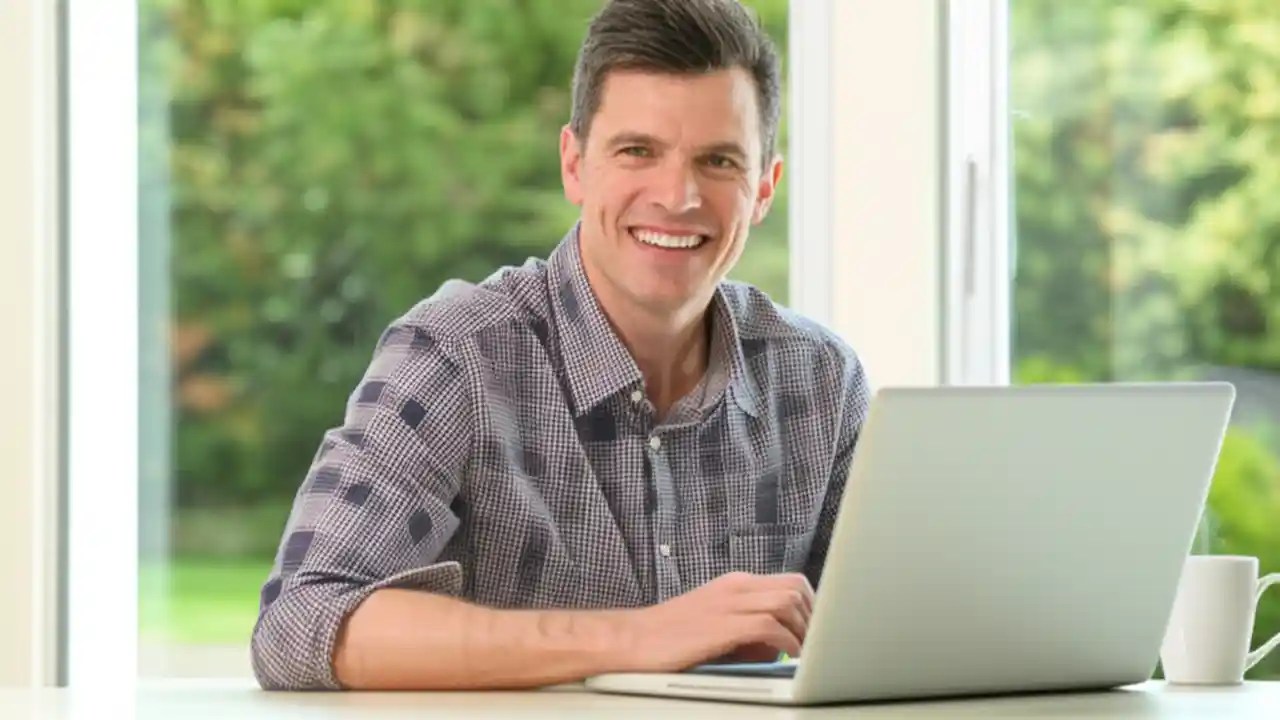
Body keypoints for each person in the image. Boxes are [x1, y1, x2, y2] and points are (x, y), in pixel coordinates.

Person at [251, 0, 869, 691]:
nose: (678, 195)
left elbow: (894, 631)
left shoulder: (822, 382)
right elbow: (300, 622)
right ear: (575, 165)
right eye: (638, 151)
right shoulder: (457, 355)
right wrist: (640, 636)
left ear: (763, 189)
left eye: (718, 161)